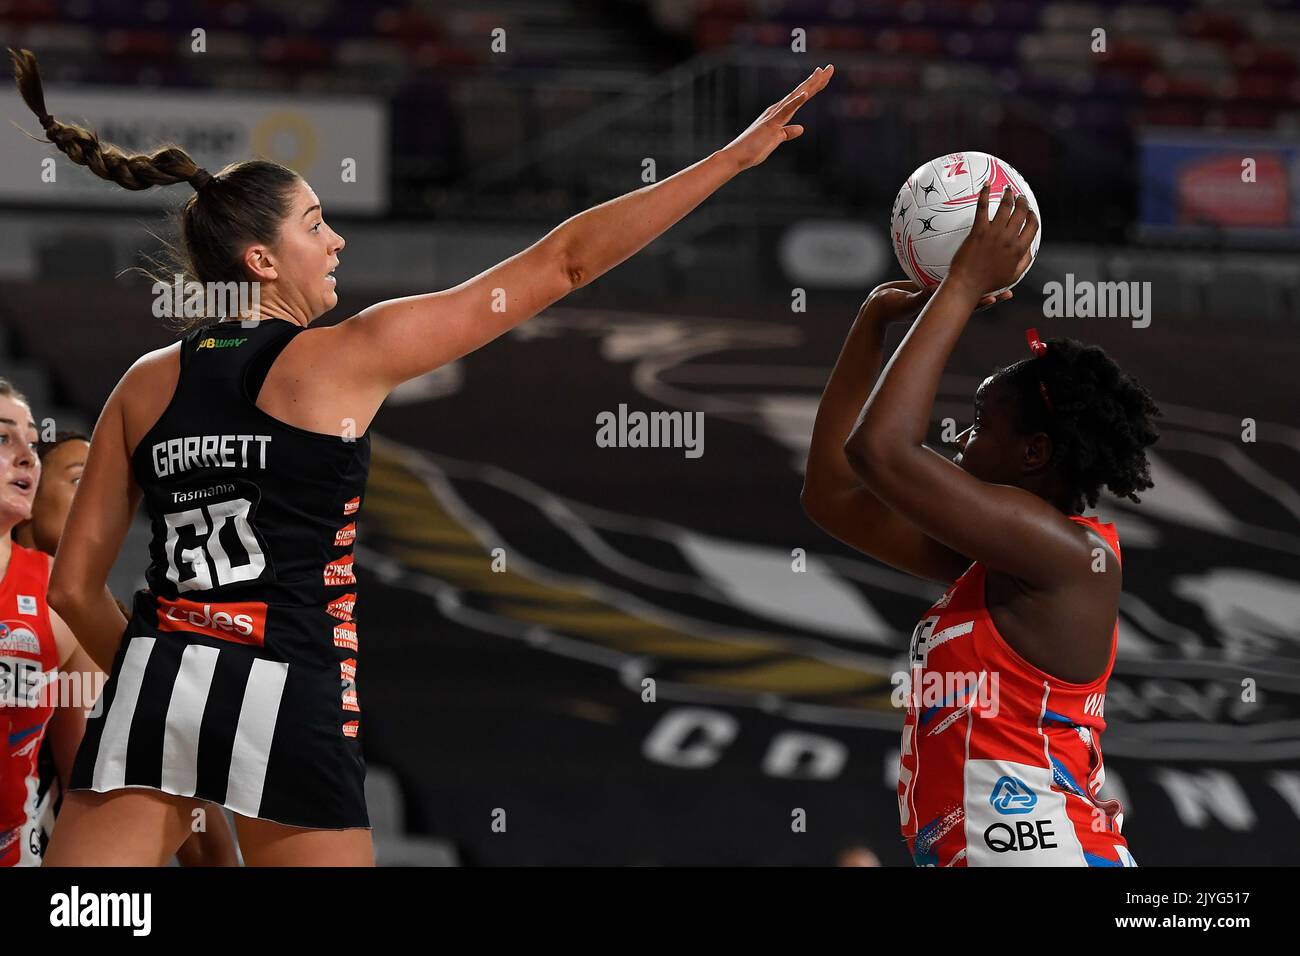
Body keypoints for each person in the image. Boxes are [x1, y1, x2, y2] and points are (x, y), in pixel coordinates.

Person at [10, 46, 834, 865]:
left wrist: (170, 676)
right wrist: (730, 159)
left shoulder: (144, 383)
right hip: (291, 685)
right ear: (261, 262)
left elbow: (78, 588)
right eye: (314, 225)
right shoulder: (346, 355)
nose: (336, 242)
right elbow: (564, 261)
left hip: (160, 676)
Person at [803, 183, 1160, 866]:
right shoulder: (996, 564)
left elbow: (880, 451)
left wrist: (960, 285)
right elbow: (832, 495)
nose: (962, 443)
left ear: (1034, 452)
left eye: (978, 425)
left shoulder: (1068, 556)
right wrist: (872, 323)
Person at [12, 430, 238, 865]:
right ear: (25, 496)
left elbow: (135, 780)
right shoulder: (45, 608)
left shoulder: (101, 624)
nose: (101, 497)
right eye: (80, 480)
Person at [0, 386, 100, 866]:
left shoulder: (63, 602)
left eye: (32, 444)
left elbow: (89, 781)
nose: (26, 457)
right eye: (4, 439)